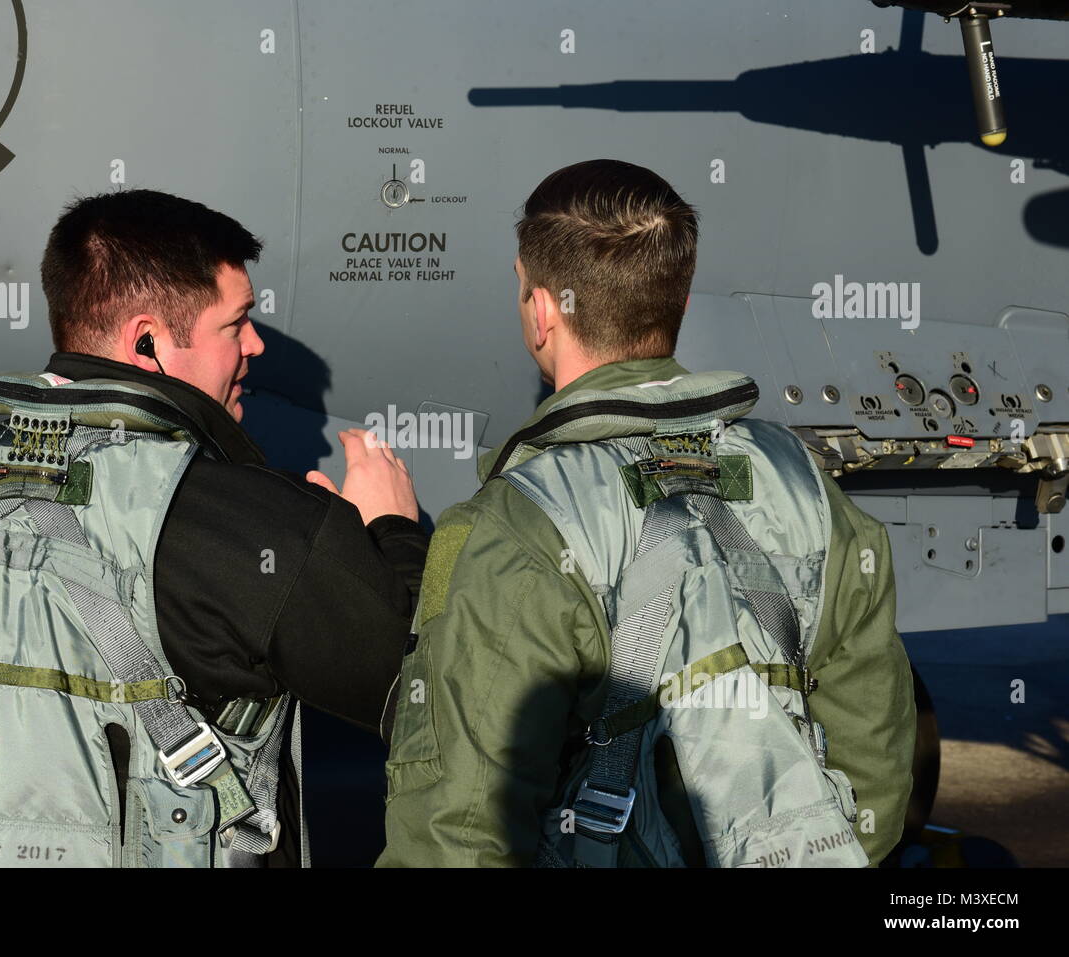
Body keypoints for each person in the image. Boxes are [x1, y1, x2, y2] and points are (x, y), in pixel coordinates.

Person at [0, 188, 427, 868]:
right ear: (147, 341)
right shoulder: (255, 524)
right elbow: (429, 696)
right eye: (237, 325)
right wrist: (393, 532)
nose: (255, 346)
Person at [379, 160, 916, 867]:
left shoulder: (517, 523)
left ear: (541, 311)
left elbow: (460, 825)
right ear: (681, 301)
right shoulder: (804, 483)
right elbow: (874, 758)